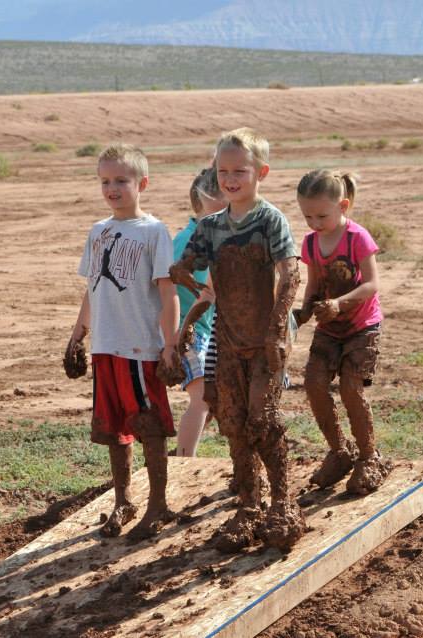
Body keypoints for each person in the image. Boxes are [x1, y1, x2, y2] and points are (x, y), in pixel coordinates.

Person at [171, 128, 303, 553]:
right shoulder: (210, 226)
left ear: (260, 172)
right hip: (227, 342)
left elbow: (290, 273)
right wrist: (185, 279)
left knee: (262, 419)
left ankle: (283, 501)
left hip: (265, 343)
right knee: (233, 422)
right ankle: (248, 505)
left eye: (239, 171)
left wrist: (278, 329)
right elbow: (192, 271)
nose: (230, 179)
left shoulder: (270, 220)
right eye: (223, 171)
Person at [64, 144, 181, 540]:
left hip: (139, 347)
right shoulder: (98, 231)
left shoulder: (153, 231)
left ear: (142, 183)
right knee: (114, 428)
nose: (112, 188)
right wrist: (78, 333)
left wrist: (170, 343)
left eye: (121, 180)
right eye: (105, 181)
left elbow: (168, 292)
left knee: (148, 425)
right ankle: (124, 499)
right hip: (106, 346)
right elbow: (92, 288)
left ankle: (159, 504)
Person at [293, 169, 388, 495]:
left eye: (322, 215)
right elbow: (315, 283)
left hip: (362, 327)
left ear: (343, 205)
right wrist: (305, 311)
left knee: (350, 389)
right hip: (329, 327)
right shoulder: (311, 243)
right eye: (307, 216)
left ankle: (368, 456)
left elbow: (372, 284)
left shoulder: (357, 238)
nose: (315, 223)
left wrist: (339, 303)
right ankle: (339, 450)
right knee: (314, 383)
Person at [174, 168, 225, 457]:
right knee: (203, 399)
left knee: (210, 400)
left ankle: (182, 452)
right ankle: (183, 461)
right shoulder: (191, 242)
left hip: (203, 331)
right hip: (190, 331)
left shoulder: (188, 237)